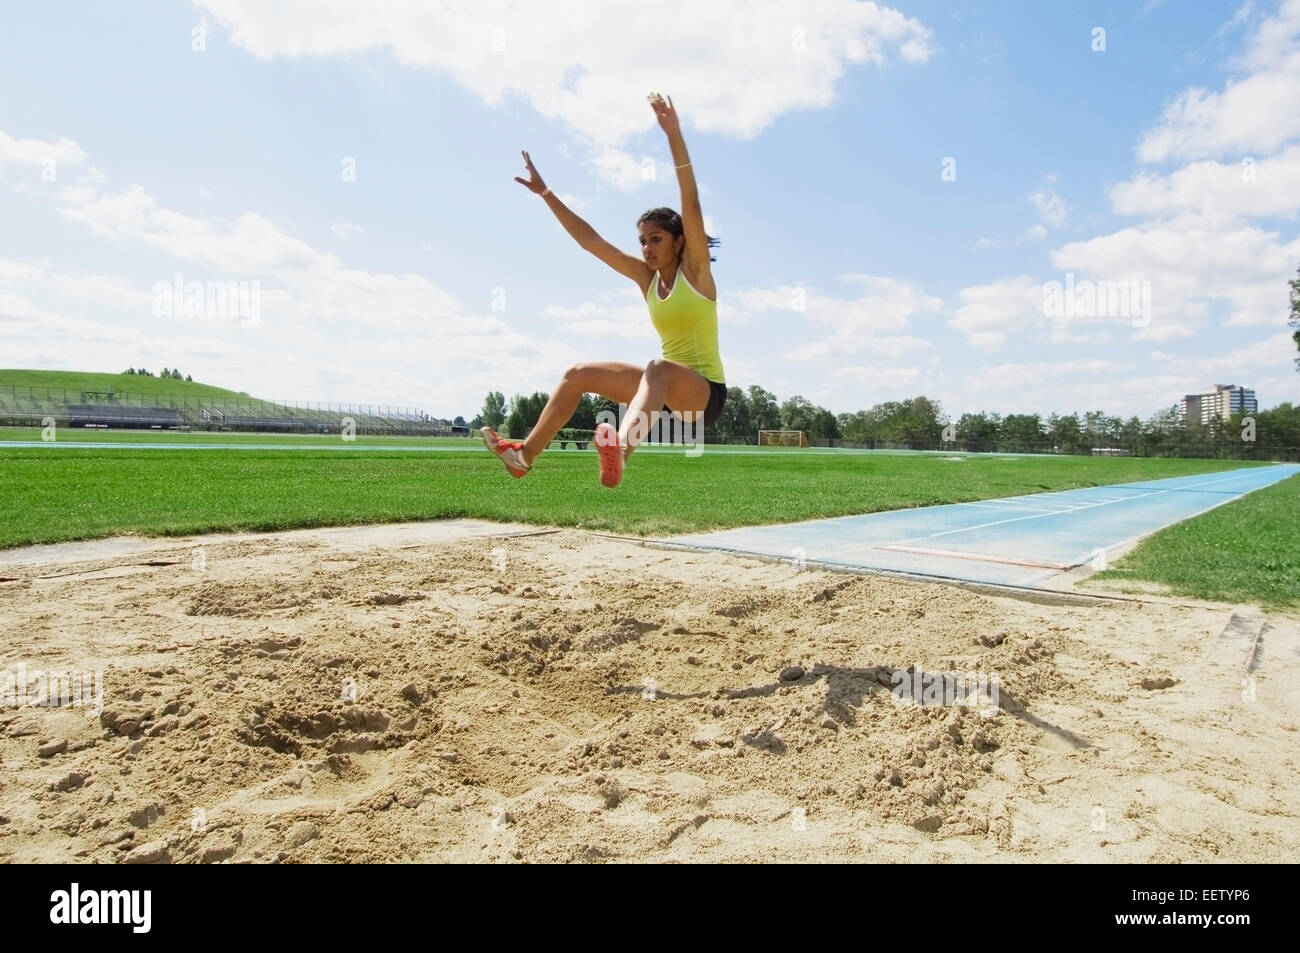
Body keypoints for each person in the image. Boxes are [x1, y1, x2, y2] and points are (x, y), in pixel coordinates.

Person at [482, 92, 726, 488]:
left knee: (658, 367)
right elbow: (591, 242)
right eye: (643, 240)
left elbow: (691, 203)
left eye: (656, 239)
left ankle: (621, 453)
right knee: (577, 374)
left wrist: (674, 136)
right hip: (661, 392)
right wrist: (546, 195)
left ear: (679, 242)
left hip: (704, 398)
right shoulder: (647, 279)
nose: (646, 248)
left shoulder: (696, 273)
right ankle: (522, 456)